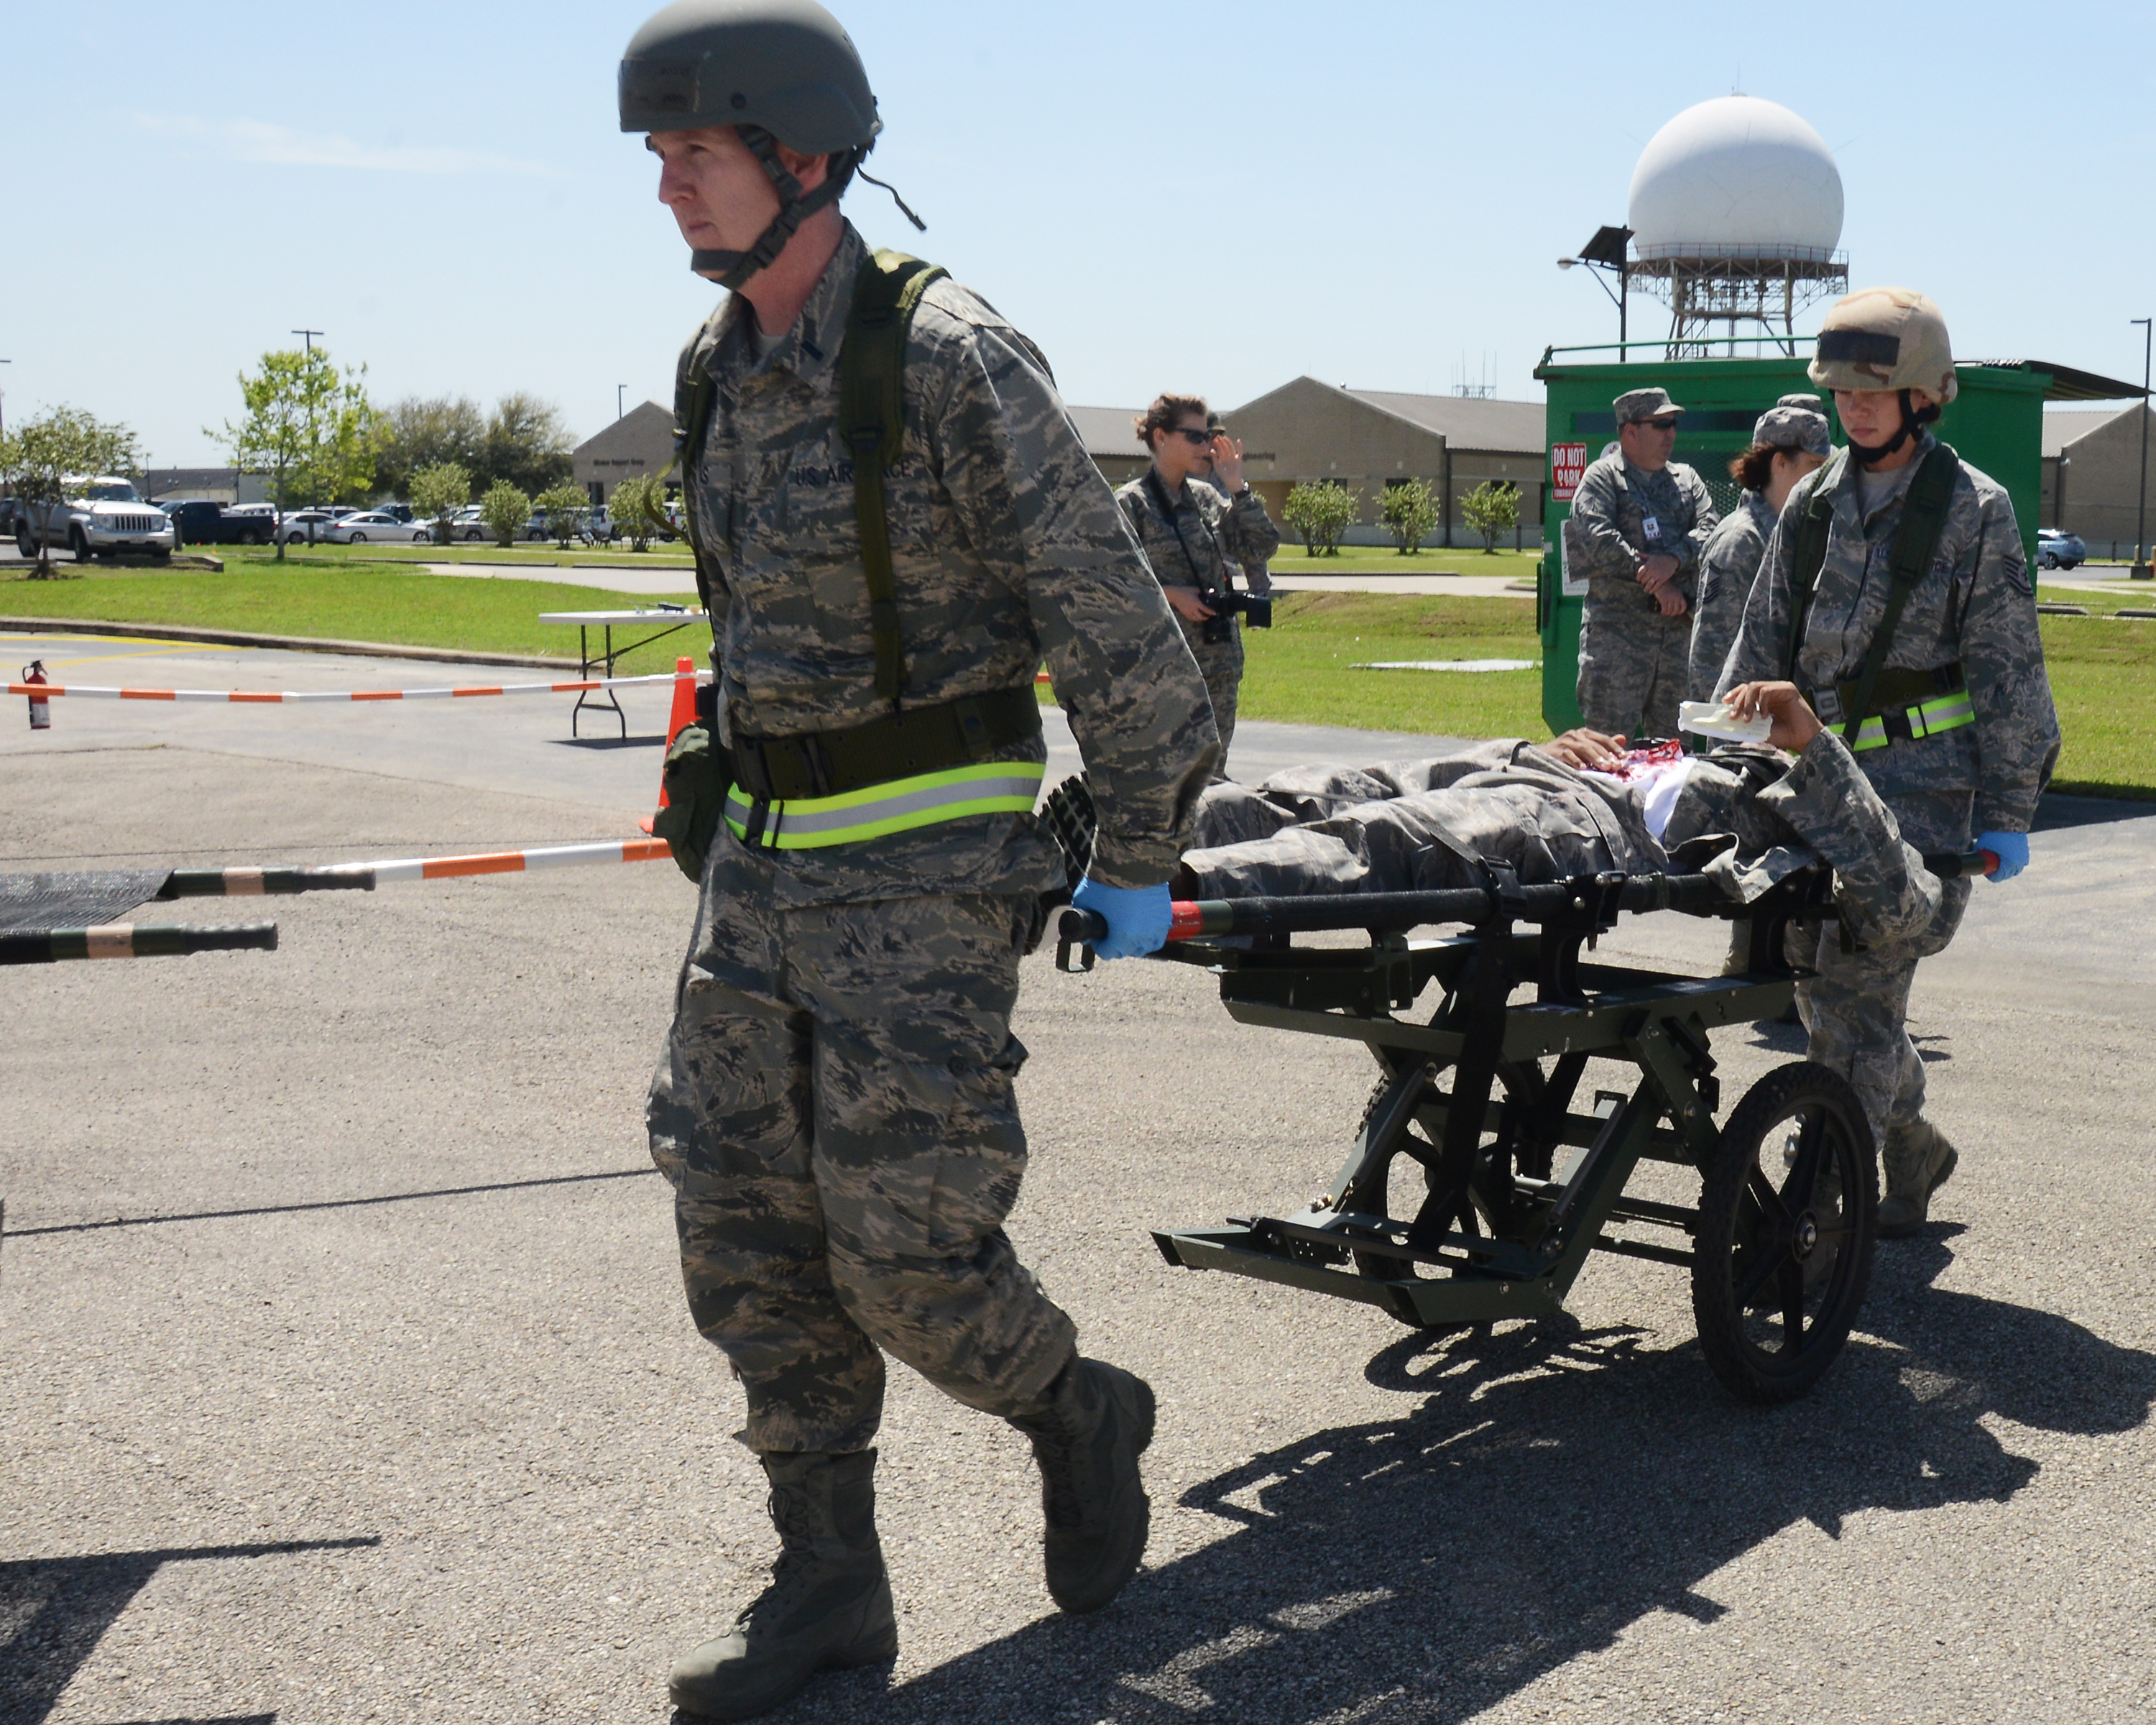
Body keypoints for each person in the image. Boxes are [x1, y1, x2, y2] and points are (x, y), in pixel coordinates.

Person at [619, 3, 1219, 1716]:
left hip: (922, 890)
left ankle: (1076, 1405)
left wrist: (1135, 855)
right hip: (762, 880)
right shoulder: (717, 370)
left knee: (903, 1247)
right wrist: (703, 754)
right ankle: (826, 1588)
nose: (664, 186)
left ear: (803, 156)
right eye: (657, 156)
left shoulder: (945, 358)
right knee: (740, 1224)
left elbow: (1124, 651)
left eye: (692, 151)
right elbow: (747, 625)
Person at [1716, 286, 2059, 1238]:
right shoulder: (1812, 506)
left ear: (1925, 396)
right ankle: (1913, 1146)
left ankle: (1818, 1210)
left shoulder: (1972, 511)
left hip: (1924, 797)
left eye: (1878, 390)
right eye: (1842, 392)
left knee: (1857, 984)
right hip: (1816, 783)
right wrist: (1722, 763)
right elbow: (1759, 655)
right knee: (1825, 988)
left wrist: (2008, 812)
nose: (1854, 407)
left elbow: (2008, 669)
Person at [1172, 683, 1944, 961]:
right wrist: (1560, 748)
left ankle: (1180, 888)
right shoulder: (1740, 758)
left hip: (1594, 825)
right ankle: (1126, 840)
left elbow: (1910, 914)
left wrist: (1817, 747)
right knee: (1319, 789)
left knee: (1394, 837)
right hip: (1546, 772)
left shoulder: (1841, 808)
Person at [1117, 395, 1282, 767]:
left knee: (1213, 779)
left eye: (1209, 436)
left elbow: (1262, 545)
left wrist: (1237, 487)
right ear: (1161, 437)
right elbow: (1107, 584)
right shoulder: (1132, 505)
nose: (1206, 446)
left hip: (1218, 663)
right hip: (1163, 672)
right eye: (1195, 437)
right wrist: (1172, 595)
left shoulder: (1208, 498)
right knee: (1168, 782)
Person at [1565, 386, 1720, 742]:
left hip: (1677, 642)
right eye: (1661, 424)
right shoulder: (1603, 479)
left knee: (1673, 753)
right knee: (1605, 753)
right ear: (1630, 431)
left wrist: (1673, 559)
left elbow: (1711, 527)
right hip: (1618, 643)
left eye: (1674, 424)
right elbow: (1598, 537)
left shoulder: (1686, 480)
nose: (1672, 433)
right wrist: (1655, 581)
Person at [1687, 397, 1833, 703]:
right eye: (1815, 466)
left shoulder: (1794, 532)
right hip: (1747, 728)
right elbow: (1710, 658)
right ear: (1780, 463)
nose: (1824, 478)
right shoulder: (1741, 541)